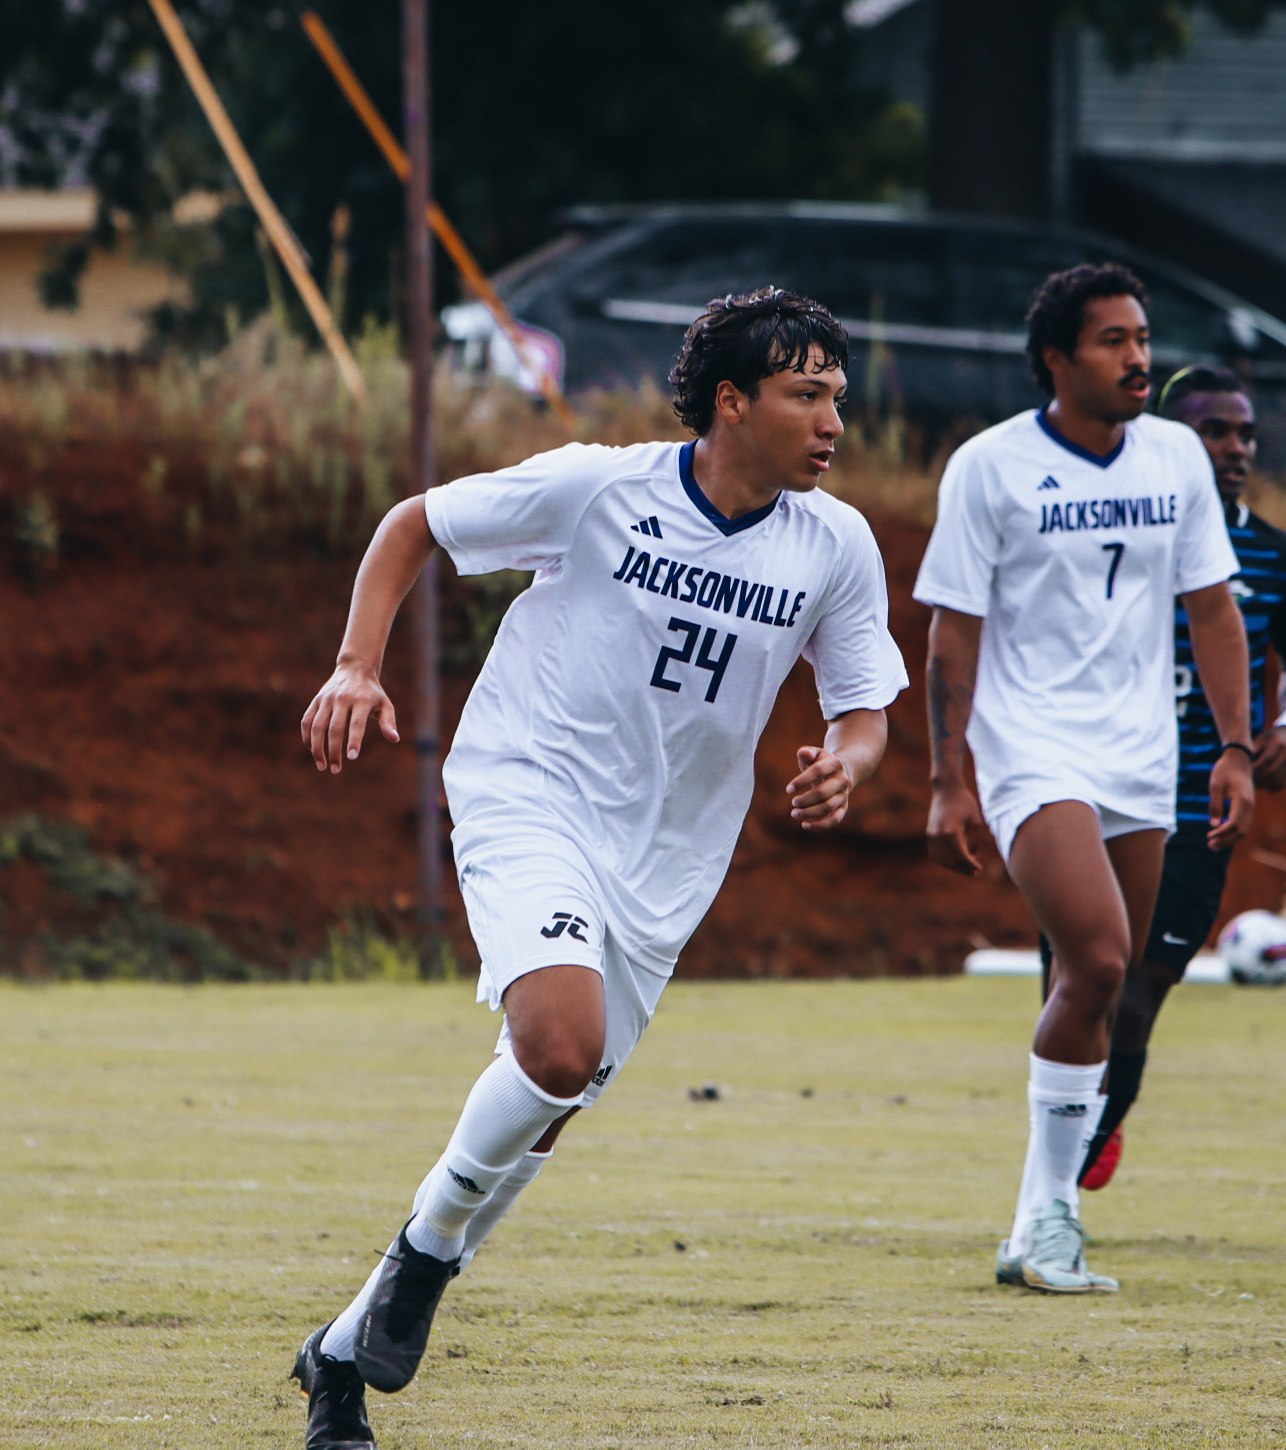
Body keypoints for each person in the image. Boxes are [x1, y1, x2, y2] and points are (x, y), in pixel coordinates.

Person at [293, 286, 908, 1448]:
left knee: (548, 1104)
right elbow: (412, 523)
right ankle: (422, 1263)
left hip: (669, 860)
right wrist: (354, 667)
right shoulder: (597, 488)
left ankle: (337, 1351)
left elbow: (863, 703)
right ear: (733, 402)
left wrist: (851, 763)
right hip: (531, 790)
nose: (833, 422)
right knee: (558, 1045)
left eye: (837, 397)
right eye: (806, 396)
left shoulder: (837, 542)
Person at [914, 264, 1254, 1295]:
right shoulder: (990, 466)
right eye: (1112, 339)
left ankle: (1035, 1218)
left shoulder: (1177, 460)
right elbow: (950, 637)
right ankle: (1053, 1214)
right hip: (1031, 750)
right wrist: (948, 777)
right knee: (1101, 960)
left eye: (1142, 336)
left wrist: (1233, 746)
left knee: (1103, 976)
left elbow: (1212, 611)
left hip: (1142, 755)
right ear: (1057, 359)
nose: (1138, 356)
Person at [1059, 364, 1286, 1191]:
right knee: (1073, 991)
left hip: (1197, 811)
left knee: (1135, 994)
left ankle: (1062, 1182)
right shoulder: (1107, 532)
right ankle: (1057, 1159)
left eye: (1246, 433)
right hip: (1095, 796)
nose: (1236, 447)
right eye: (1216, 430)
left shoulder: (1278, 558)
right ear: (1169, 438)